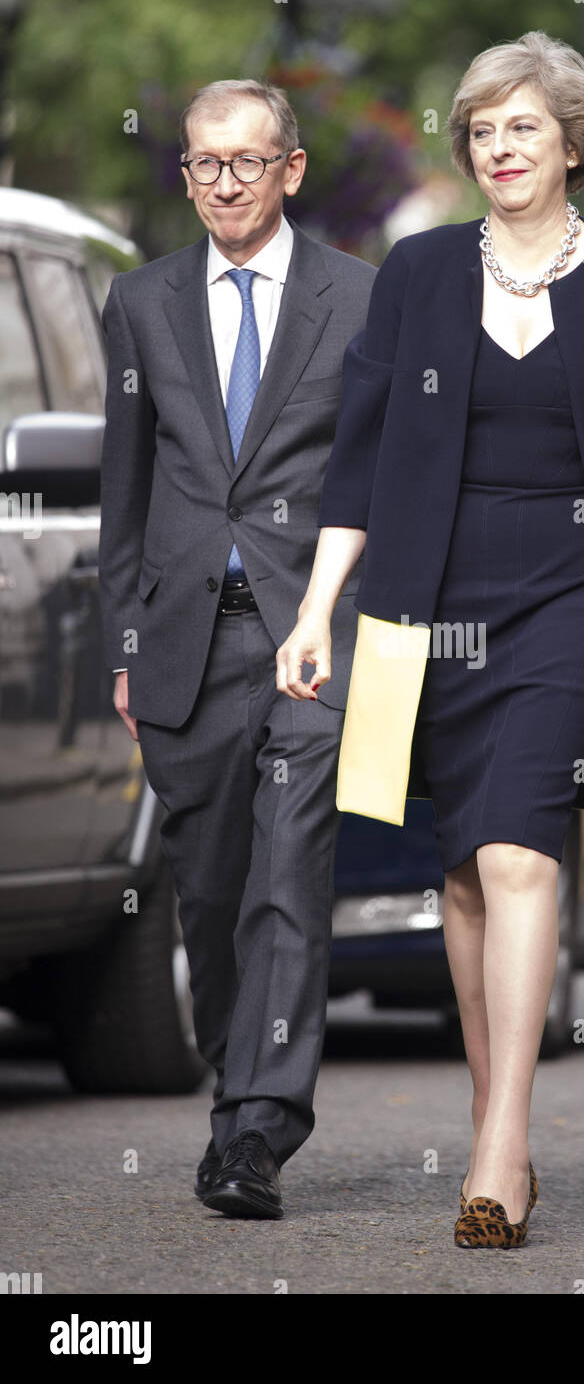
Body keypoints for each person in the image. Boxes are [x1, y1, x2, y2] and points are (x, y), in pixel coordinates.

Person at [277, 31, 584, 1248]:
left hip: (580, 596)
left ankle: (495, 1147)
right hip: (433, 598)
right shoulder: (421, 270)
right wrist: (320, 607)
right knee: (465, 875)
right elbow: (362, 460)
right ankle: (507, 1130)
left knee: (523, 853)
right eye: (482, 130)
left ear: (574, 142)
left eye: (522, 127)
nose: (499, 148)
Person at [98, 79, 375, 1219]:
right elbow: (126, 491)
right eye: (203, 164)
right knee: (208, 894)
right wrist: (126, 643)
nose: (221, 183)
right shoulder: (142, 301)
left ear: (291, 171)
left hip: (306, 636)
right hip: (181, 645)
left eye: (245, 163)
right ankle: (238, 1087)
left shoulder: (360, 299)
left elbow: (377, 473)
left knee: (287, 878)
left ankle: (257, 1130)